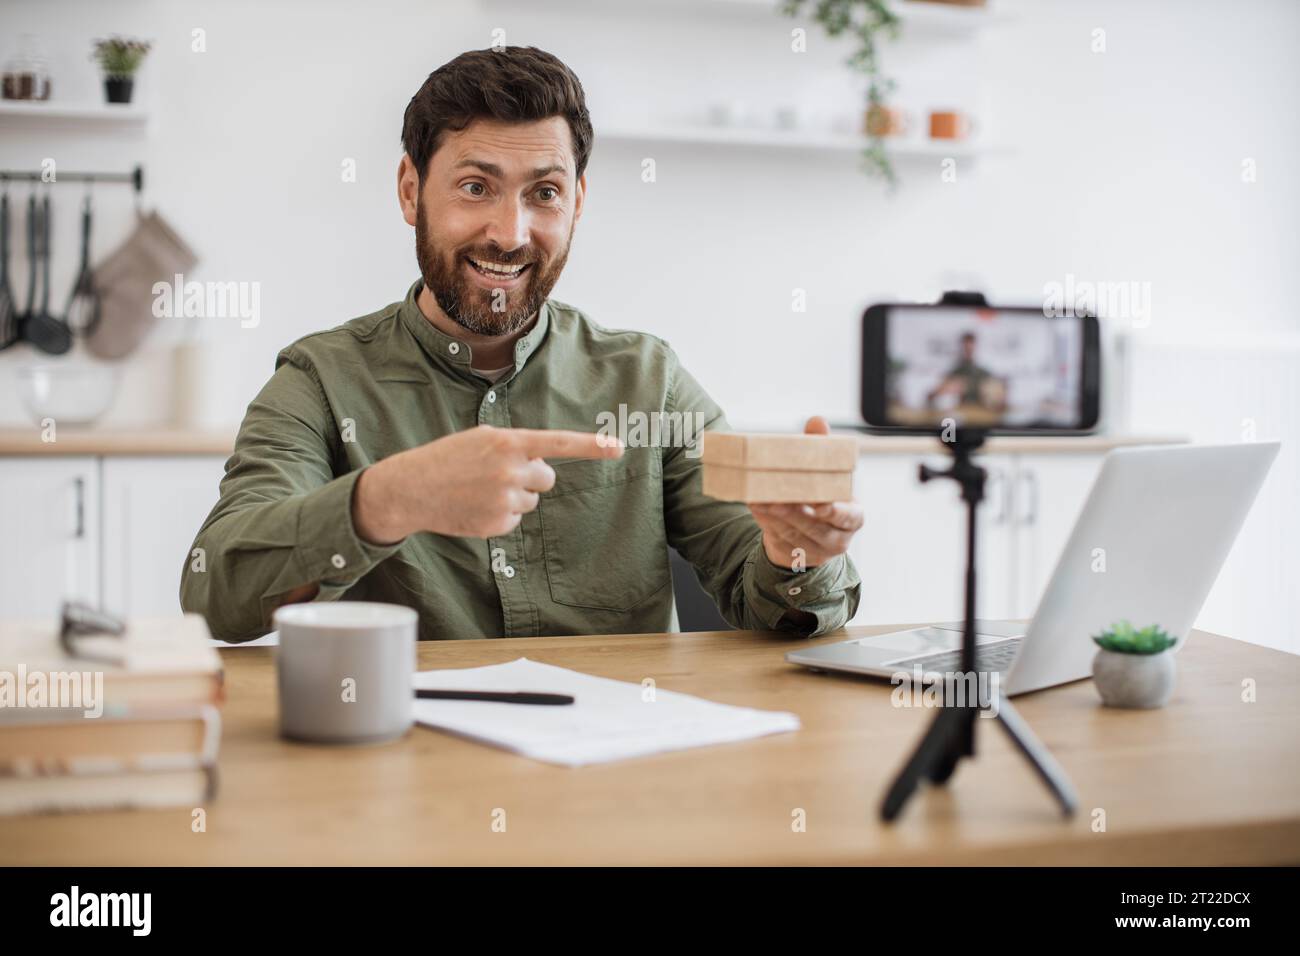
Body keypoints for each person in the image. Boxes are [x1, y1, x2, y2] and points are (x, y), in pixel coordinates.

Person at [181, 47, 863, 643]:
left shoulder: (647, 380)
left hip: (617, 761)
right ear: (411, 191)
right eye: (476, 188)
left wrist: (797, 554)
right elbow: (217, 595)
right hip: (408, 762)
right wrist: (388, 498)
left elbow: (761, 589)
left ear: (578, 201)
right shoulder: (321, 379)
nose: (510, 233)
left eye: (544, 193)